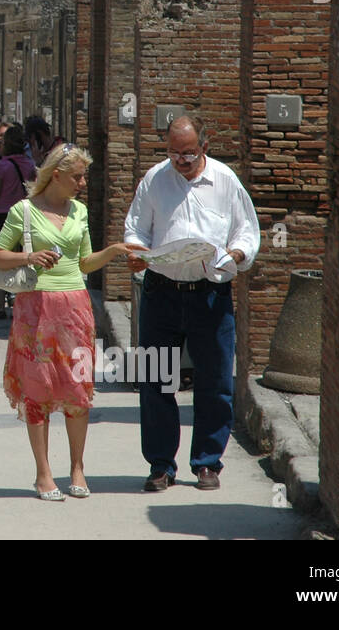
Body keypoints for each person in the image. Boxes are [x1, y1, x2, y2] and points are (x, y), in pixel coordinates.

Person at [0, 142, 144, 500]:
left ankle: (77, 466)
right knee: (38, 391)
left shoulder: (79, 211)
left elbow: (84, 263)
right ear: (55, 175)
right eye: (77, 177)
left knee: (78, 390)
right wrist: (28, 255)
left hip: (75, 307)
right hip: (35, 308)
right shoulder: (23, 211)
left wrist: (114, 252)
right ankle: (43, 474)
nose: (83, 183)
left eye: (84, 176)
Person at [124, 115, 259, 492]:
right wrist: (136, 250)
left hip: (209, 295)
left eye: (188, 153)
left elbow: (246, 230)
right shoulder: (155, 179)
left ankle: (206, 462)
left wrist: (236, 252)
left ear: (205, 145)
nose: (180, 161)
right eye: (173, 153)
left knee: (215, 380)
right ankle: (161, 465)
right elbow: (136, 227)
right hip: (162, 292)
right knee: (156, 379)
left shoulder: (225, 181)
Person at [0, 125, 35, 318]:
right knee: (22, 259)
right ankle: (19, 304)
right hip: (24, 215)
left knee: (0, 260)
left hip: (0, 216)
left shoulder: (1, 166)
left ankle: (1, 307)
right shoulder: (29, 165)